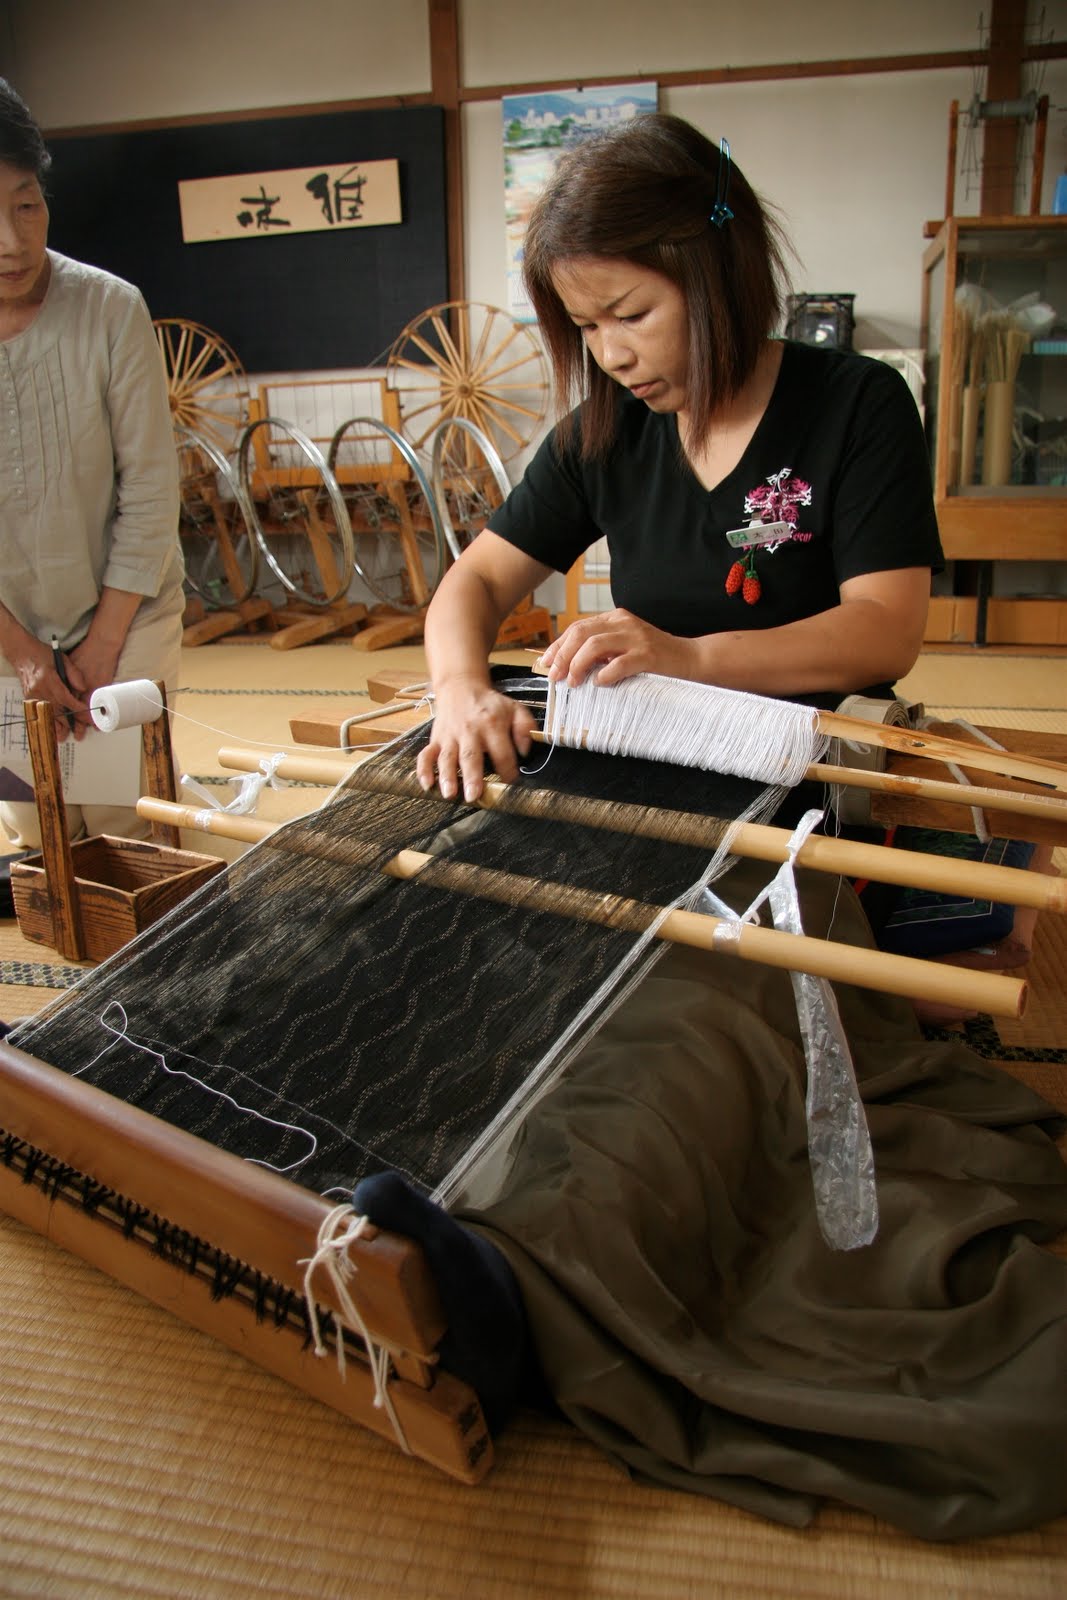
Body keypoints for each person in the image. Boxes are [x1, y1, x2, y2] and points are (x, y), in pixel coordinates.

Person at [349, 114, 1067, 1541]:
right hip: (634, 752)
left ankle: (526, 1280)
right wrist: (452, 695)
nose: (609, 353)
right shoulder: (604, 431)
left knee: (672, 984)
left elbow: (882, 628)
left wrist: (677, 654)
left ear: (709, 262)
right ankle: (389, 1166)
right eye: (584, 326)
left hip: (783, 769)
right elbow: (469, 588)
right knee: (450, 890)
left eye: (628, 312)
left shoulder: (850, 404)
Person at [0, 77, 184, 856]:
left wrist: (103, 644)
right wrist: (25, 656)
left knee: (126, 833)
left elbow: (149, 485)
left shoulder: (110, 307)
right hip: (4, 634)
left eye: (26, 203)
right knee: (39, 833)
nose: (11, 241)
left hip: (124, 612)